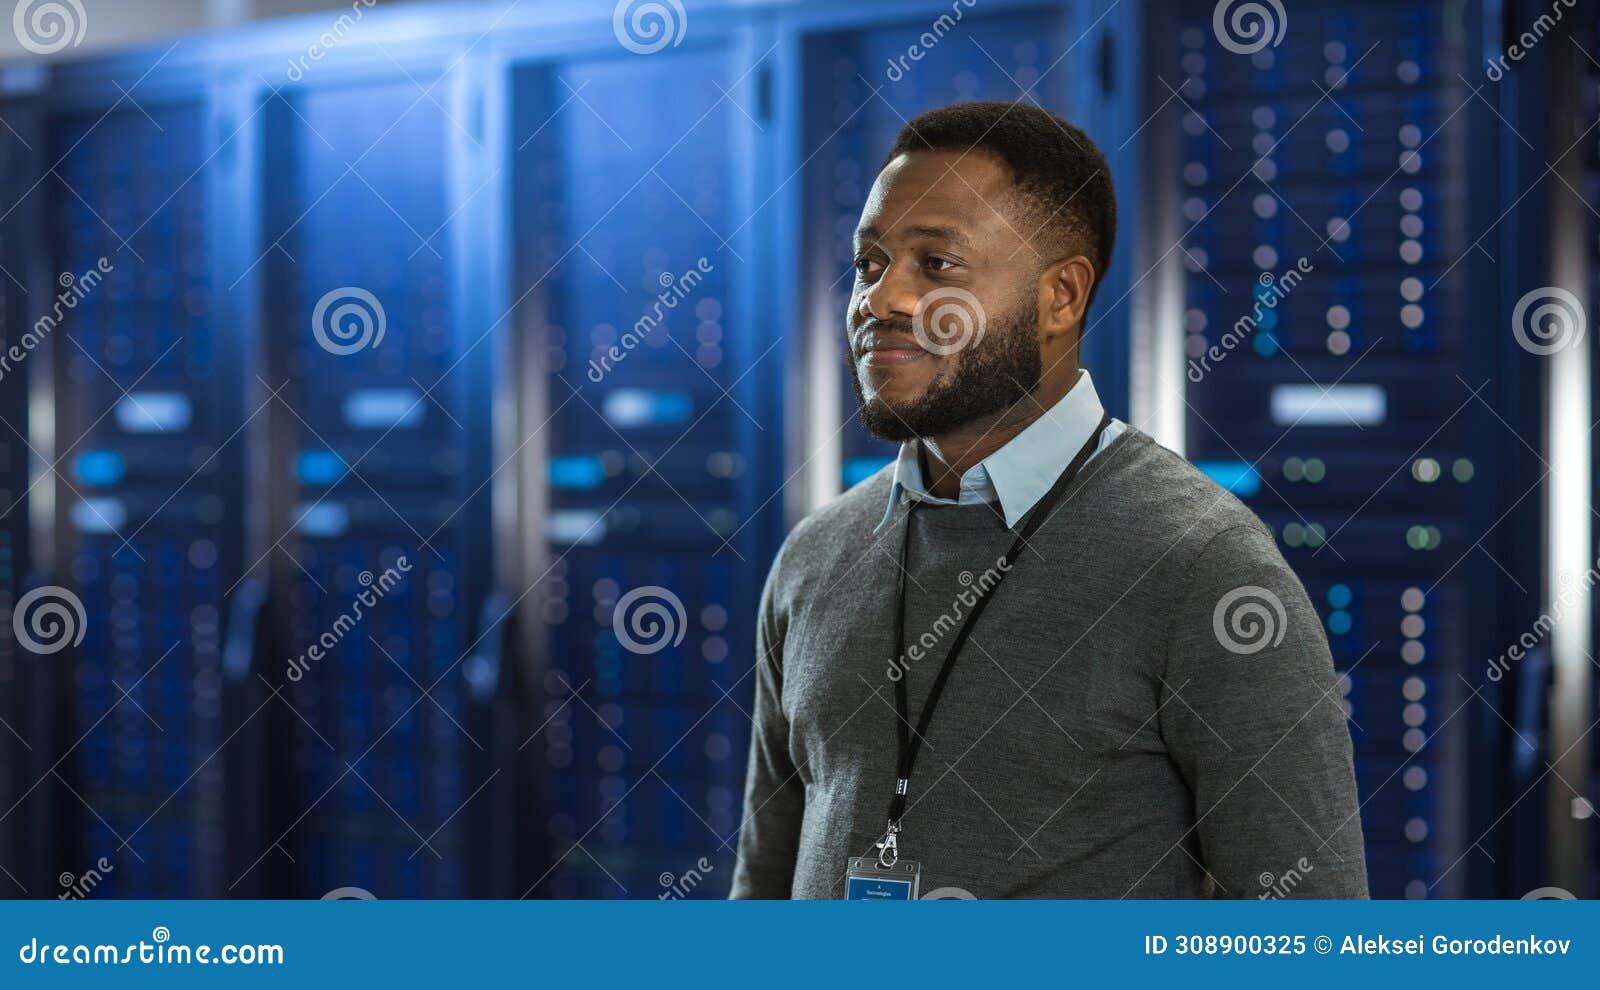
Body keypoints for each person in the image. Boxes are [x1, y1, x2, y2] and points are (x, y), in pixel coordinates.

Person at [730, 101, 1367, 899]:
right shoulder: (814, 556)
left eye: (937, 264)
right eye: (869, 263)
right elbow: (760, 893)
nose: (880, 300)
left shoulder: (1204, 568)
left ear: (1061, 296)